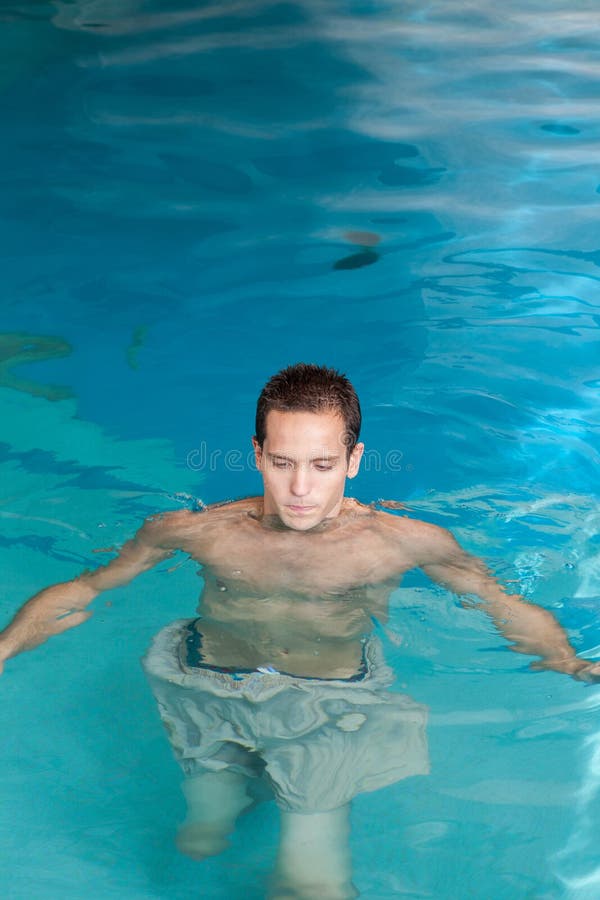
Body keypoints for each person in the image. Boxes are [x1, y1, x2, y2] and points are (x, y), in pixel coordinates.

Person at [1, 363, 598, 899]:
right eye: (283, 463)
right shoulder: (197, 531)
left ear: (355, 460)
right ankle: (240, 790)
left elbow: (498, 602)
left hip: (329, 709)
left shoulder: (402, 543)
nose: (302, 489)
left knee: (313, 880)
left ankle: (275, 796)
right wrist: (5, 646)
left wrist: (568, 661)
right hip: (206, 685)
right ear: (257, 454)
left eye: (322, 465)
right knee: (202, 836)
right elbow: (86, 588)